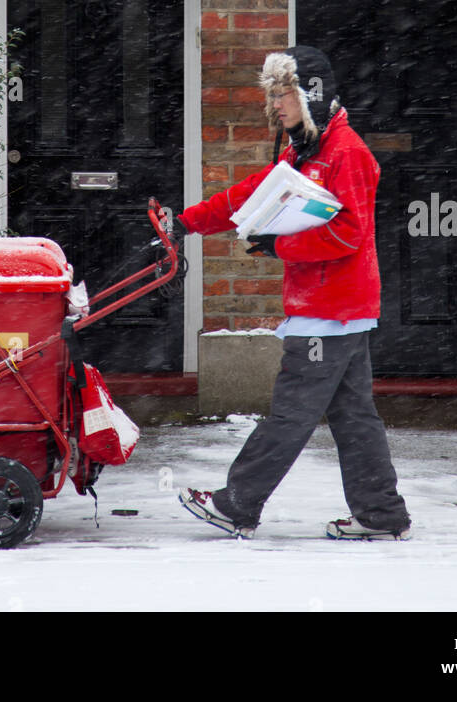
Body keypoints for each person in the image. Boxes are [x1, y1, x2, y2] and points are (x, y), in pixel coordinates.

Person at [170, 44, 411, 541]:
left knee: (291, 414)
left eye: (284, 94)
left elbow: (347, 235)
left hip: (330, 311)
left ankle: (238, 503)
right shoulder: (305, 150)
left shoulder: (348, 154)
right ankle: (381, 513)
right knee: (354, 418)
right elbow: (253, 192)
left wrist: (279, 246)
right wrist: (188, 222)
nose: (275, 105)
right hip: (334, 311)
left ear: (311, 94)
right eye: (273, 95)